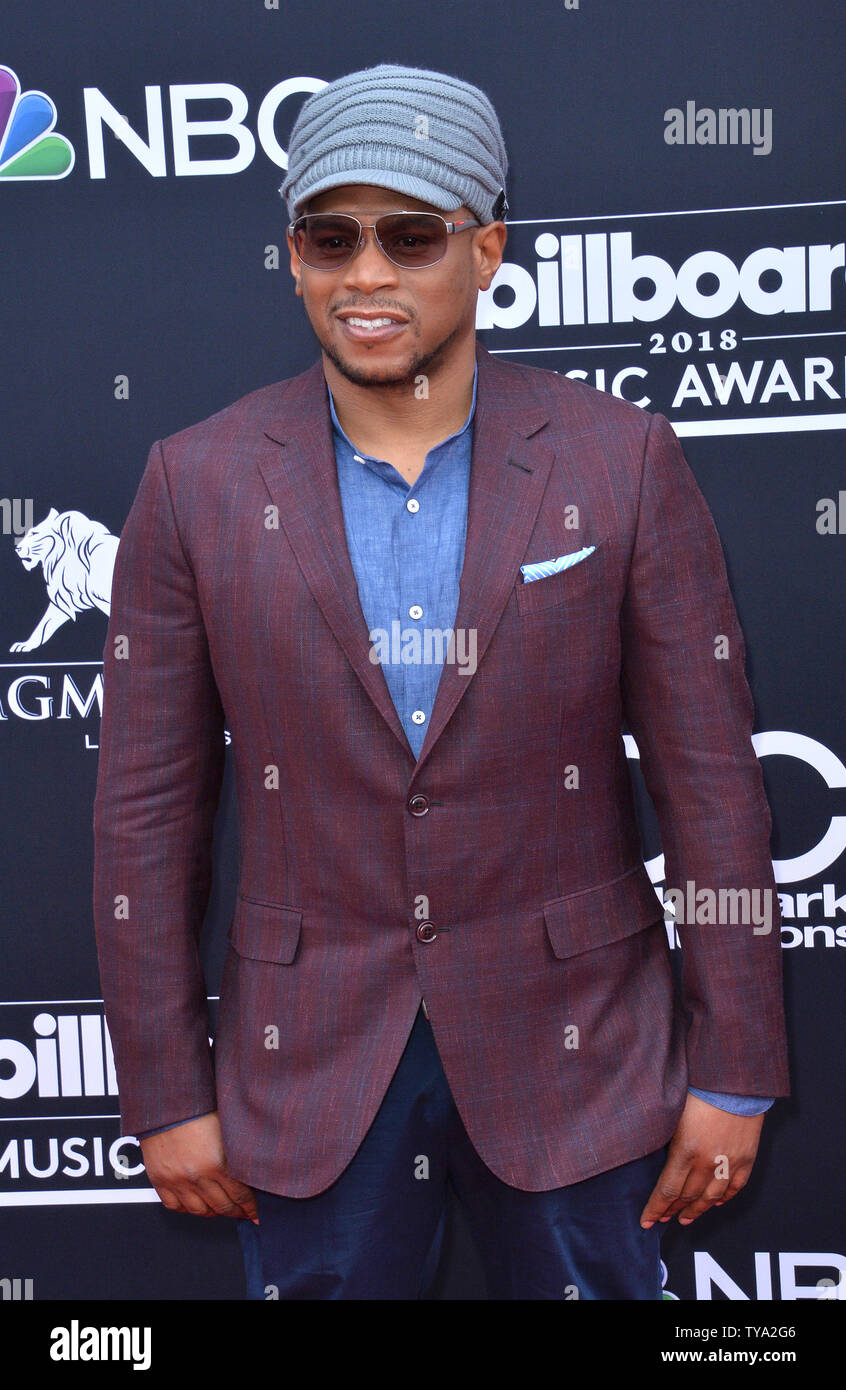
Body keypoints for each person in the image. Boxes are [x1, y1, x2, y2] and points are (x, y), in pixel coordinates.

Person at [93, 63, 790, 1300]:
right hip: (308, 1069)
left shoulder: (618, 458)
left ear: (487, 250)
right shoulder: (192, 482)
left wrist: (734, 1065)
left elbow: (715, 791)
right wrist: (161, 1091)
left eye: (412, 236)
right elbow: (145, 818)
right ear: (295, 256)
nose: (367, 275)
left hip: (580, 1056)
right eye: (331, 235)